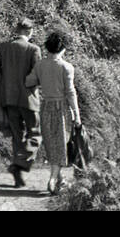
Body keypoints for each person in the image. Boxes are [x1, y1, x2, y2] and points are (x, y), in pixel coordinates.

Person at [0, 19, 41, 187]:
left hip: (9, 98)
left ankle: (17, 169)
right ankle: (20, 163)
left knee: (17, 136)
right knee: (35, 133)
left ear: (16, 30)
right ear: (30, 31)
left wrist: (5, 75)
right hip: (29, 99)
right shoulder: (34, 49)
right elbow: (37, 75)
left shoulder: (3, 47)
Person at [27, 30, 81, 195]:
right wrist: (77, 115)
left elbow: (29, 81)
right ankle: (52, 180)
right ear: (62, 48)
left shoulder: (40, 65)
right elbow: (71, 93)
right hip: (61, 108)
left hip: (45, 107)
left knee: (52, 144)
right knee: (61, 144)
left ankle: (60, 179)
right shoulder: (66, 67)